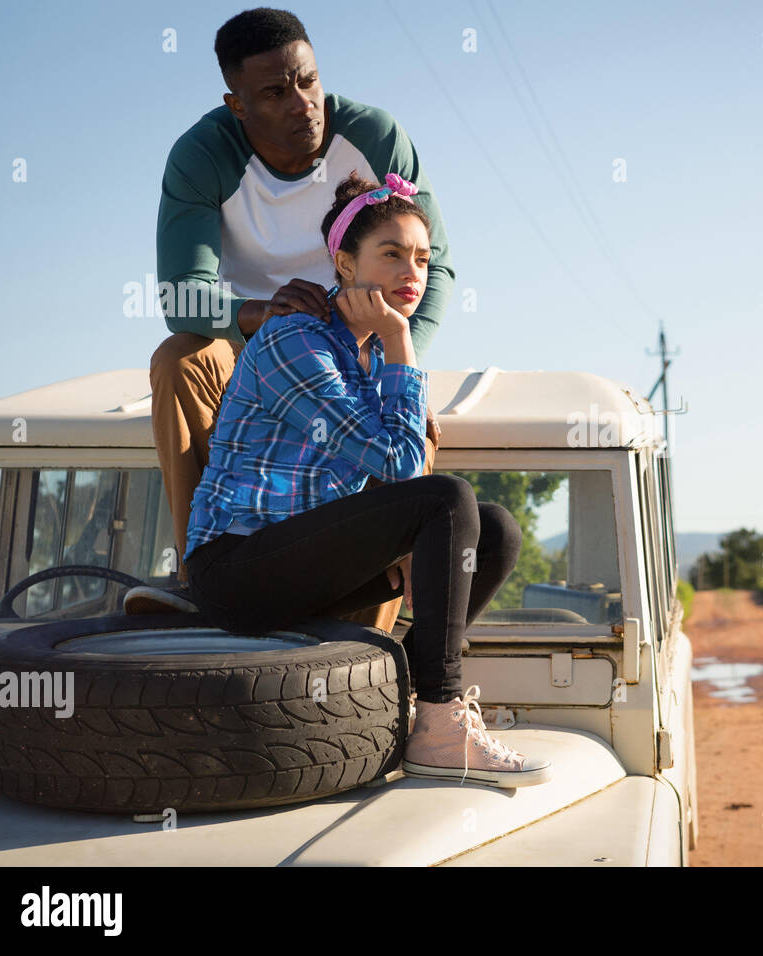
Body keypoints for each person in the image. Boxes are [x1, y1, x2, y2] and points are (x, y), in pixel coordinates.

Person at [183, 171, 550, 788]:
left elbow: (391, 474)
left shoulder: (373, 355)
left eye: (423, 259)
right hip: (239, 570)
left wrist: (392, 350)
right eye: (392, 254)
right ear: (344, 263)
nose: (413, 272)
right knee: (447, 496)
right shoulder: (294, 341)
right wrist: (402, 339)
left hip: (308, 570)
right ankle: (441, 722)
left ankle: (403, 706)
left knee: (495, 529)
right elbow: (404, 467)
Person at [129, 7, 455, 634]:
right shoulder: (202, 154)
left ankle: (370, 642)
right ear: (238, 104)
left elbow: (434, 267)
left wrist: (395, 353)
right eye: (275, 92)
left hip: (365, 335)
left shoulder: (376, 135)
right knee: (178, 359)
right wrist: (263, 309)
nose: (303, 103)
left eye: (308, 82)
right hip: (255, 340)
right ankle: (205, 574)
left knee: (410, 429)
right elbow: (181, 297)